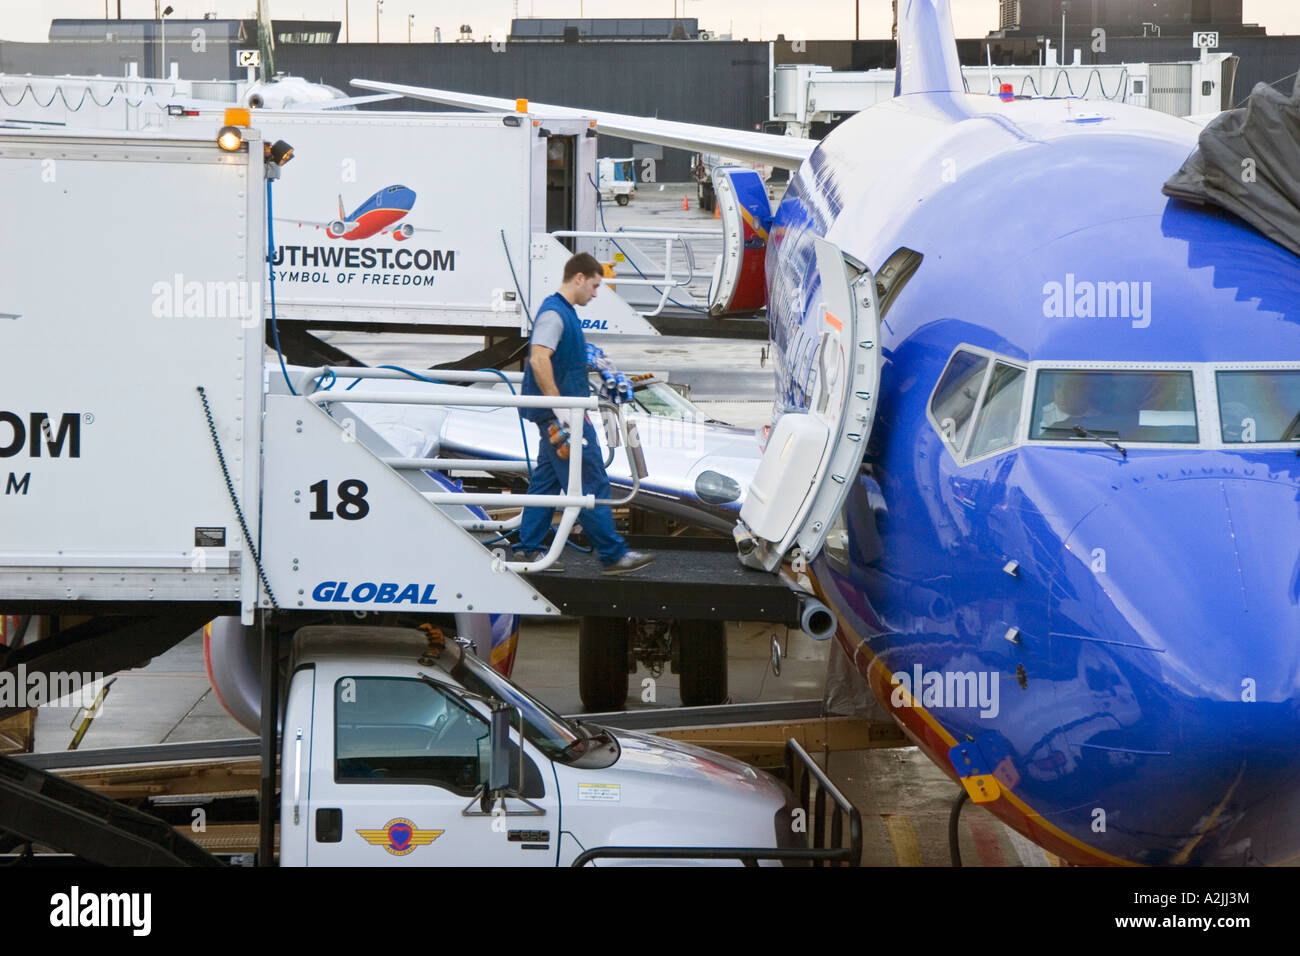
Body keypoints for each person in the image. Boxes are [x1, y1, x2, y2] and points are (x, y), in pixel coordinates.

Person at [516, 252, 654, 575]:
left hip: (560, 414)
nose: (595, 294)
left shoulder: (561, 313)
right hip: (566, 417)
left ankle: (527, 549)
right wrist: (561, 408)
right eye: (593, 286)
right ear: (579, 278)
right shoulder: (556, 314)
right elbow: (539, 359)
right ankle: (612, 555)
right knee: (589, 480)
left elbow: (552, 356)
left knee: (546, 483)